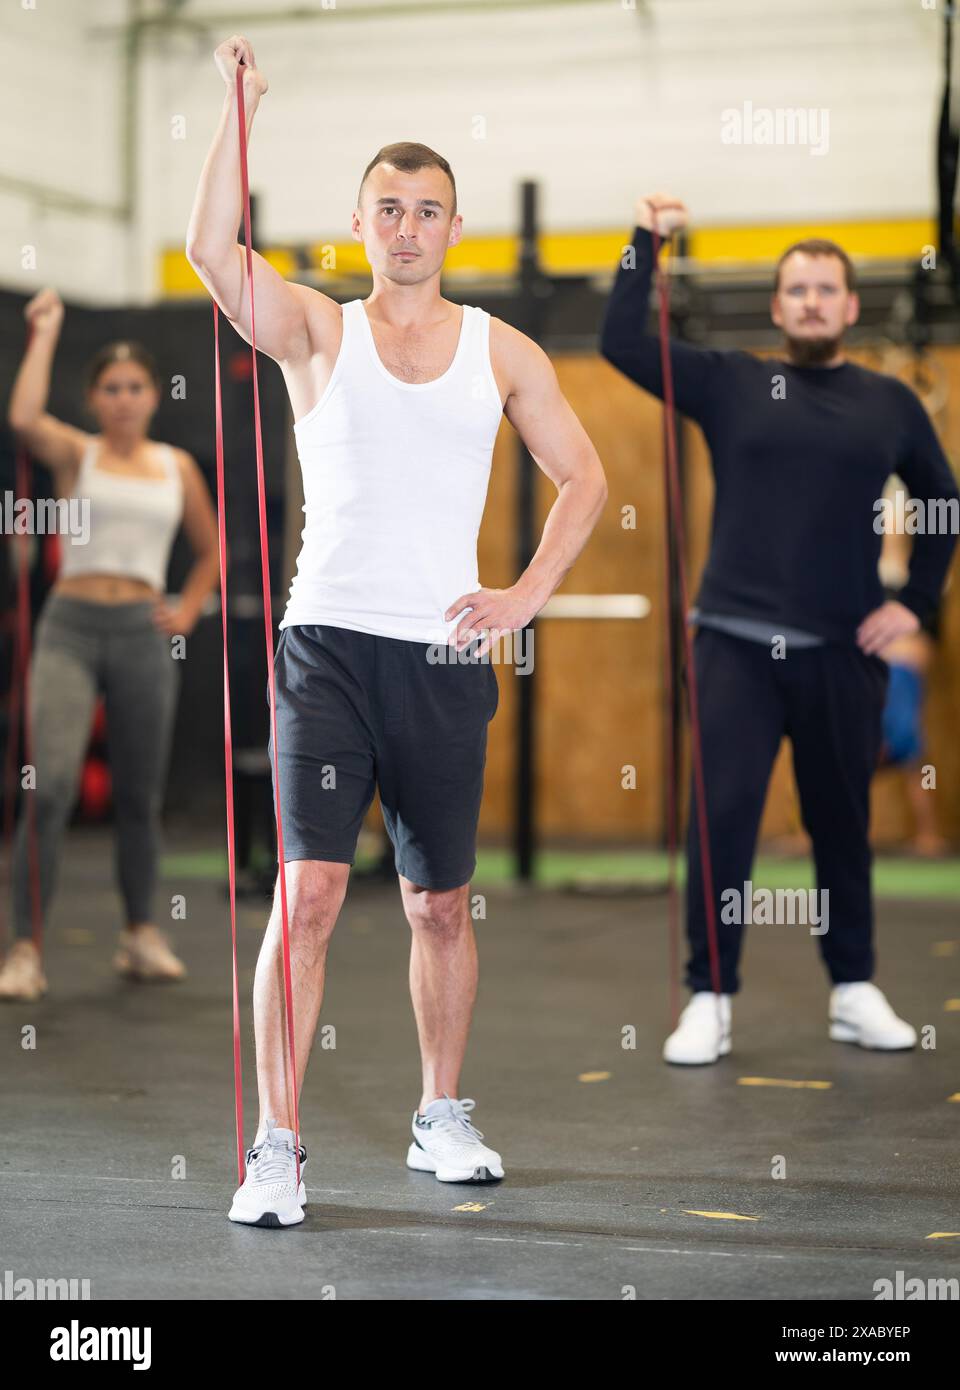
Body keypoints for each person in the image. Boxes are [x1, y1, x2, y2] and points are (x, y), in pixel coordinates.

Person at [186, 35, 607, 1226]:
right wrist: (238, 104)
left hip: (442, 658)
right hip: (328, 648)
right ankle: (277, 1146)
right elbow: (211, 251)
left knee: (438, 903)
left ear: (454, 228)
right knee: (309, 893)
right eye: (388, 208)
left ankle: (439, 1114)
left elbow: (585, 478)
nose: (408, 227)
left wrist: (524, 595)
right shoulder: (317, 330)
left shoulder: (499, 349)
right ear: (360, 223)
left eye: (428, 210)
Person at [601, 193, 959, 1065]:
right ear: (777, 306)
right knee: (721, 821)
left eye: (825, 288)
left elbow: (944, 501)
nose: (809, 300)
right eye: (794, 288)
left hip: (843, 649)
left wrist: (914, 603)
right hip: (732, 644)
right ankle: (709, 999)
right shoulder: (731, 381)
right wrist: (644, 245)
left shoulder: (890, 404)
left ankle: (854, 988)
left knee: (841, 822)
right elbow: (620, 343)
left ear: (847, 305)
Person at [0, 288, 221, 1001]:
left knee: (138, 794)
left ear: (154, 395)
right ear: (95, 398)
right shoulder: (77, 454)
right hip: (70, 628)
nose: (124, 399)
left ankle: (140, 934)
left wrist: (187, 608)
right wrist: (46, 331)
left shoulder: (175, 467)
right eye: (111, 388)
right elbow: (23, 417)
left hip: (139, 634)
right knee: (52, 785)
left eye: (135, 387)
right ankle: (26, 949)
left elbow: (212, 550)